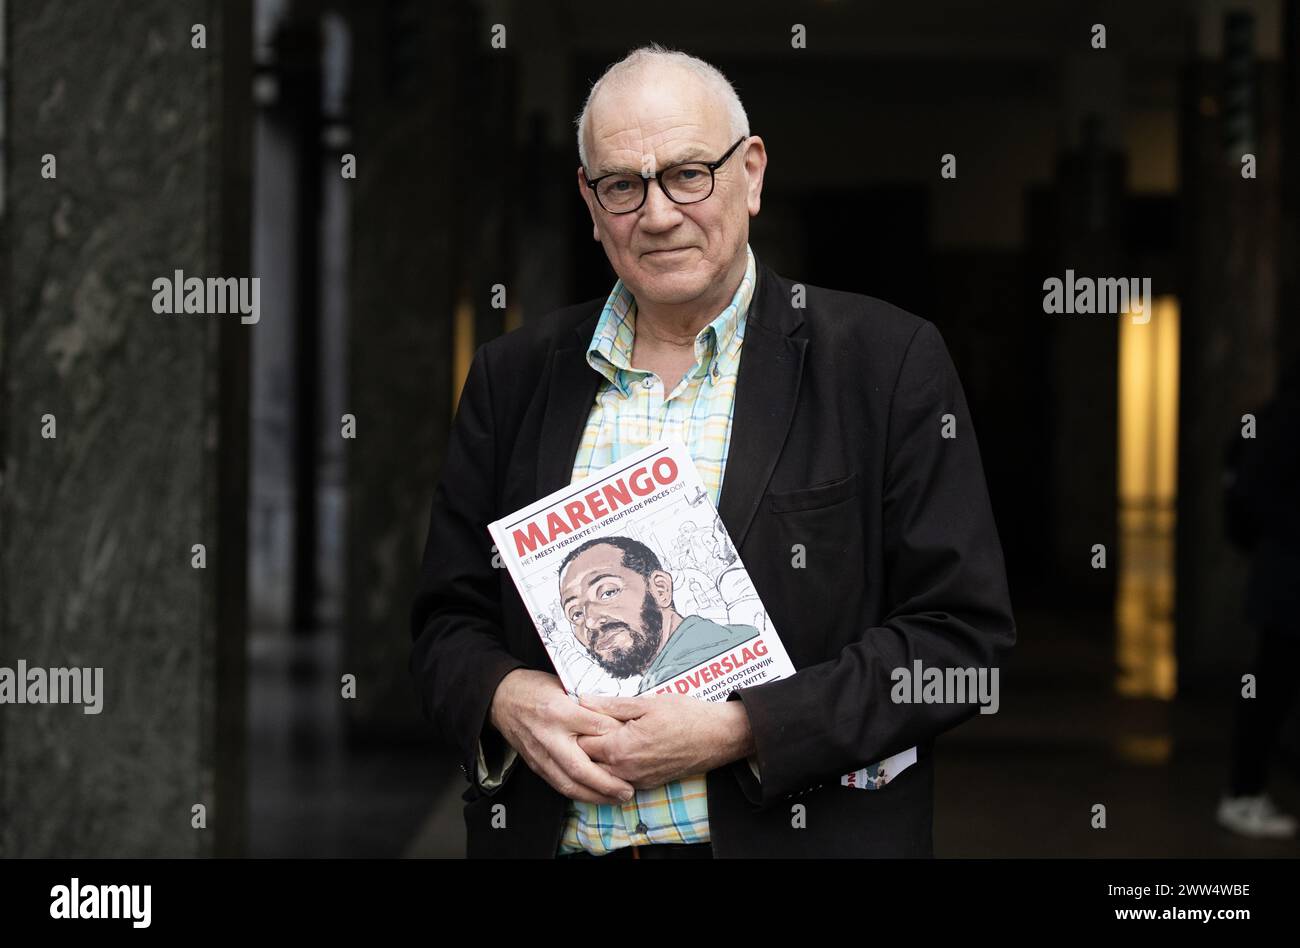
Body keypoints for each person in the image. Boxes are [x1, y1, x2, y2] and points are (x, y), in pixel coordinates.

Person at [409, 44, 1016, 858]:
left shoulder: (885, 363)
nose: (657, 214)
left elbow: (959, 641)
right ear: (590, 204)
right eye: (622, 185)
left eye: (688, 173)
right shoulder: (513, 377)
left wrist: (742, 728)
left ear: (752, 172)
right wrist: (504, 694)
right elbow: (445, 624)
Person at [1218, 356, 1300, 839]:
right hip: (1286, 579)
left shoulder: (1273, 416)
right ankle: (1244, 793)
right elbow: (1248, 492)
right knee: (1270, 688)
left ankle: (1246, 791)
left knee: (1271, 686)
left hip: (1280, 573)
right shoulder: (1285, 420)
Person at [556, 536, 760, 690]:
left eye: (608, 592)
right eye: (575, 614)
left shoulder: (676, 678)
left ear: (660, 589)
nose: (590, 621)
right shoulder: (742, 636)